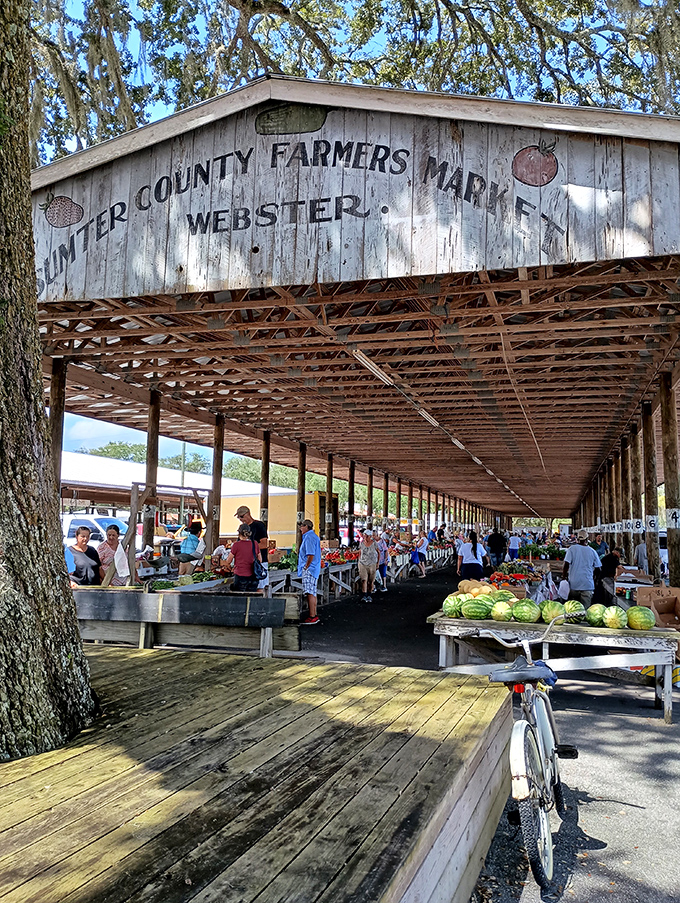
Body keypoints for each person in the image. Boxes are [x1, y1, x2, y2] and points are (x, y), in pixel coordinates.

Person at [562, 530, 601, 606]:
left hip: (573, 584)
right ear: (587, 539)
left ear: (578, 538)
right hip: (587, 585)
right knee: (585, 611)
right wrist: (594, 580)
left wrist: (564, 577)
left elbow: (566, 565)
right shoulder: (592, 551)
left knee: (572, 609)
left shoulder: (572, 549)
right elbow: (598, 569)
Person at [235, 505, 269, 590]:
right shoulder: (242, 529)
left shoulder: (259, 526)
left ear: (248, 514)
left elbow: (264, 544)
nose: (241, 519)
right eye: (239, 517)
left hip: (258, 564)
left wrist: (249, 547)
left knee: (260, 588)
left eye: (242, 516)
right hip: (245, 566)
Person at [224, 523, 262, 592]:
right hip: (253, 576)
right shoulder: (255, 544)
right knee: (251, 598)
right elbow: (260, 560)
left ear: (239, 533)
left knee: (239, 599)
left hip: (240, 575)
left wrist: (230, 567)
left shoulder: (236, 545)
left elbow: (228, 561)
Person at [298, 519, 321, 624]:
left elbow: (310, 554)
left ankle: (312, 616)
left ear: (306, 527)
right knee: (313, 591)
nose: (300, 528)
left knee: (309, 592)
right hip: (314, 568)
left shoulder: (308, 538)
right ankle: (314, 614)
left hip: (310, 569)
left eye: (302, 526)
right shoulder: (314, 536)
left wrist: (306, 566)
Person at [358, 528, 379, 602]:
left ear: (370, 536)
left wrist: (377, 563)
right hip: (362, 563)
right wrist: (359, 560)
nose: (365, 538)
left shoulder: (374, 543)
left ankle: (369, 594)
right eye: (364, 536)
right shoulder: (361, 543)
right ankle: (364, 595)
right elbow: (360, 551)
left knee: (371, 581)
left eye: (367, 536)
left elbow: (378, 552)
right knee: (364, 580)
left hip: (372, 563)